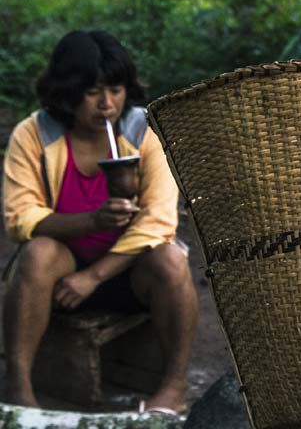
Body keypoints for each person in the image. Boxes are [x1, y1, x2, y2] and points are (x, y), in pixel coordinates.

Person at [2, 30, 198, 413]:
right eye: (93, 92)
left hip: (129, 272)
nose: (107, 104)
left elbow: (158, 222)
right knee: (38, 252)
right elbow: (19, 217)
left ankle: (173, 387)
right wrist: (92, 221)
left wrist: (95, 276)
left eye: (116, 89)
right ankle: (19, 389)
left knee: (172, 259)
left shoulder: (144, 132)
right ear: (66, 92)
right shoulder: (33, 134)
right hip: (61, 274)